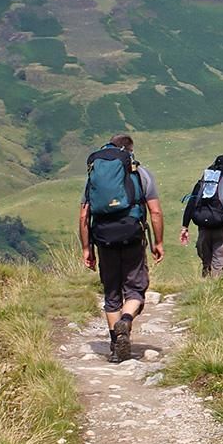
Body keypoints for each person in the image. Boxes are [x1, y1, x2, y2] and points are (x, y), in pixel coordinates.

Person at [79, 134, 164, 362]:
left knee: (111, 293)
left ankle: (116, 347)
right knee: (135, 288)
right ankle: (125, 322)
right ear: (129, 150)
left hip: (103, 238)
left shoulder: (94, 177)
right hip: (132, 236)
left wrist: (87, 248)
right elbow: (155, 212)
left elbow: (84, 215)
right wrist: (158, 242)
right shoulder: (140, 173)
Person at [180, 154, 223, 278]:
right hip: (222, 228)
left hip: (203, 228)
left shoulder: (204, 181)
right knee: (219, 264)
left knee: (206, 263)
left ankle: (203, 291)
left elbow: (191, 203)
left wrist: (185, 226)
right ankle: (212, 293)